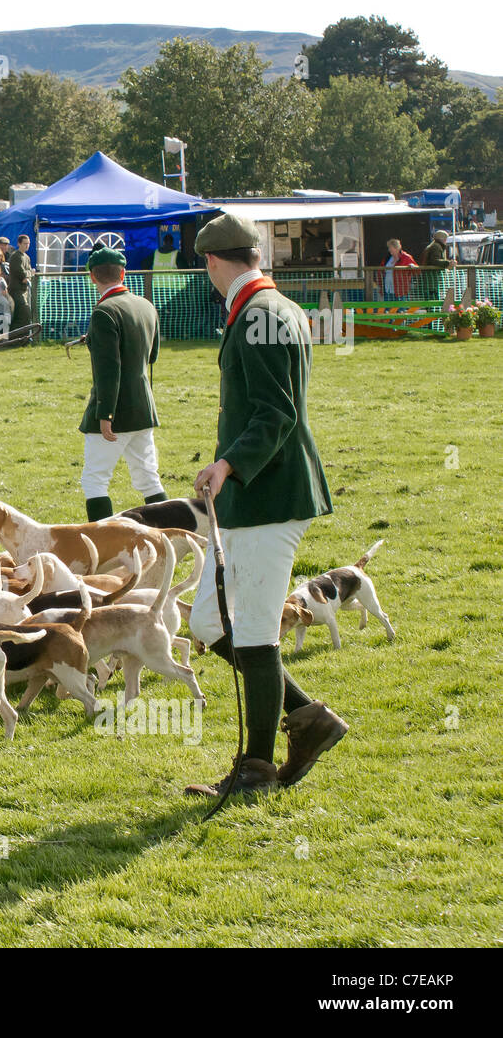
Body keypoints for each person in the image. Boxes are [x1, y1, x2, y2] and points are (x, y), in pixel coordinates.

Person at [183, 213, 341, 799]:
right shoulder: (269, 308)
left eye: (204, 266)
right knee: (207, 621)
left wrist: (227, 463)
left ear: (214, 262)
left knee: (252, 635)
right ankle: (311, 720)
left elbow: (277, 413)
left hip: (269, 493)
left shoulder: (260, 314)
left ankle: (255, 770)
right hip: (257, 493)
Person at [77, 247, 166, 521]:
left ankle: (102, 550)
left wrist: (105, 414)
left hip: (114, 409)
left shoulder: (104, 312)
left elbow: (108, 370)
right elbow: (153, 355)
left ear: (92, 277)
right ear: (123, 273)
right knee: (148, 478)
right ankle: (170, 538)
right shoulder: (146, 306)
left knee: (94, 480)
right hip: (143, 406)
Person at [8, 234, 35, 335]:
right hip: (16, 290)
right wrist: (30, 273)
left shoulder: (27, 257)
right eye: (25, 244)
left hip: (24, 290)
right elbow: (22, 273)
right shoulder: (16, 256)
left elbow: (27, 274)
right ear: (19, 244)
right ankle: (15, 337)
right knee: (23, 313)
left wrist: (28, 274)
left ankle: (23, 338)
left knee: (25, 315)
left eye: (28, 244)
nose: (27, 246)